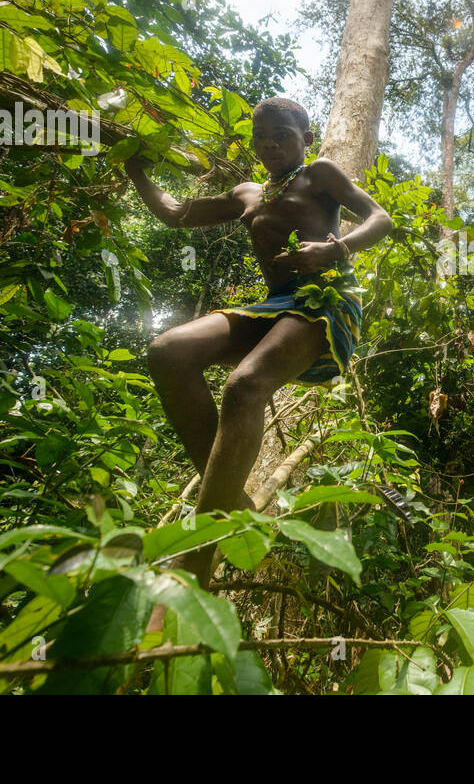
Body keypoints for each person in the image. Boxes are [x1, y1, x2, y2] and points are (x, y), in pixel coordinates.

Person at [125, 96, 393, 592]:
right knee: (168, 352)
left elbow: (380, 218)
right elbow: (176, 214)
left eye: (282, 134)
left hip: (325, 301)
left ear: (306, 139)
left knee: (245, 385)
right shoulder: (246, 192)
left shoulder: (320, 174)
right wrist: (135, 167)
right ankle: (231, 501)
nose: (270, 143)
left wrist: (336, 248)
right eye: (261, 136)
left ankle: (195, 562)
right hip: (274, 305)